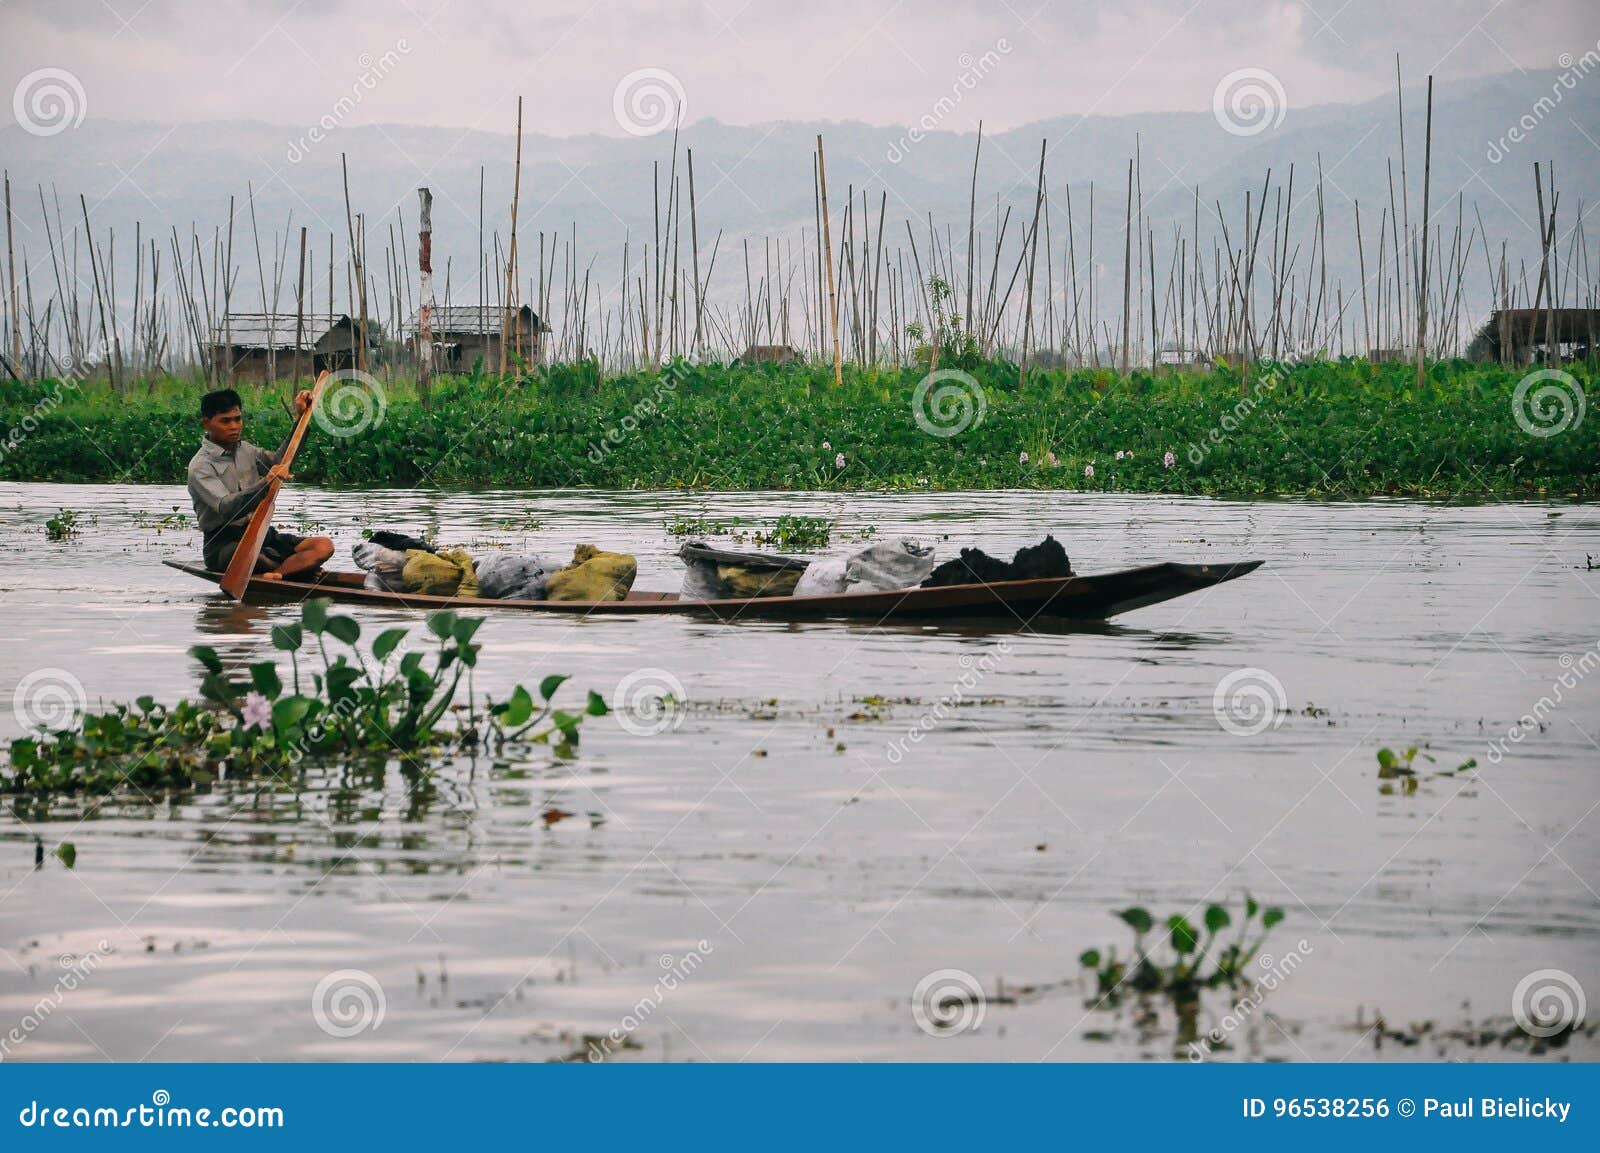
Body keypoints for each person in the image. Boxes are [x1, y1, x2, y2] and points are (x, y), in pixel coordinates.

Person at [186, 388, 334, 581]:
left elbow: (281, 461)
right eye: (225, 421)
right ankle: (295, 570)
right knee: (254, 557)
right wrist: (266, 482)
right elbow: (227, 508)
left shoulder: (247, 450)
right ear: (206, 423)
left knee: (323, 546)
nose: (234, 426)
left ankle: (278, 574)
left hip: (262, 535)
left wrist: (301, 419)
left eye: (237, 419)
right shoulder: (200, 466)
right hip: (224, 544)